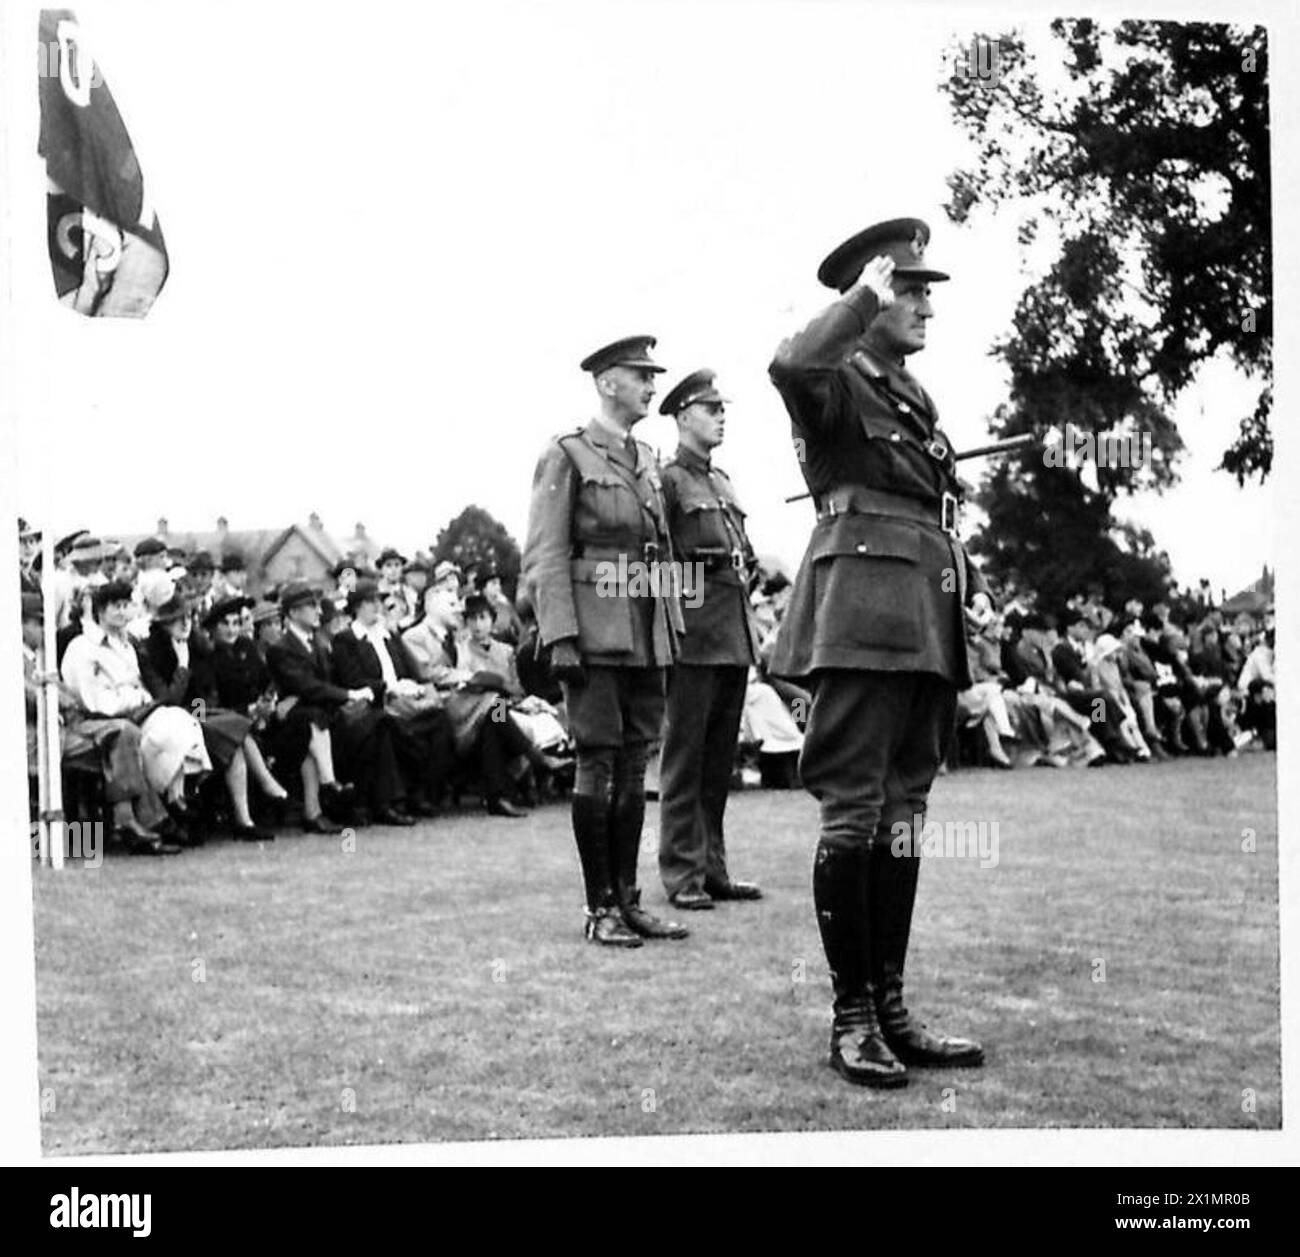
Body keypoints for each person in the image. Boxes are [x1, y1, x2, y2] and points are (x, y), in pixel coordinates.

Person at [767, 220, 988, 1086]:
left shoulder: (912, 395)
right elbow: (790, 364)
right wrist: (861, 293)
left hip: (924, 617)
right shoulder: (834, 380)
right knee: (856, 813)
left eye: (927, 291)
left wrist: (968, 582)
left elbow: (932, 507)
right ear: (871, 295)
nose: (927, 305)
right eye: (910, 289)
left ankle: (890, 1007)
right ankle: (851, 1015)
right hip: (861, 616)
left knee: (904, 815)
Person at [522, 334, 688, 947]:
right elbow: (545, 554)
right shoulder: (567, 453)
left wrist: (671, 626)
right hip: (593, 631)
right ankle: (600, 908)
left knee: (635, 762)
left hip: (644, 629)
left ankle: (628, 898)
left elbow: (659, 549)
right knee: (597, 761)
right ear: (606, 382)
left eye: (652, 376)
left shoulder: (646, 457)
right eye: (640, 375)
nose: (651, 386)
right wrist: (560, 637)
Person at [654, 368, 764, 911]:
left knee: (719, 762)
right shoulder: (667, 482)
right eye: (711, 409)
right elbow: (654, 566)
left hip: (732, 634)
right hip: (693, 637)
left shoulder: (721, 482)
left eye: (723, 410)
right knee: (685, 759)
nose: (721, 418)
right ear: (682, 417)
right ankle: (682, 872)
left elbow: (741, 555)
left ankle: (712, 867)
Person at [61, 580, 211, 847]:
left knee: (185, 723)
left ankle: (177, 798)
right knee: (166, 730)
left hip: (154, 712)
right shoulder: (86, 647)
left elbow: (194, 689)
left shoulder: (130, 644)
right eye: (115, 607)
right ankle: (167, 809)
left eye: (125, 605)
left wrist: (148, 697)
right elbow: (96, 701)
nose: (122, 612)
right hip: (108, 718)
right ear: (100, 611)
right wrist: (140, 697)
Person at [140, 596, 277, 840]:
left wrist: (200, 711)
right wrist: (182, 666)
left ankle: (245, 819)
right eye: (177, 620)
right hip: (166, 719)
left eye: (188, 618)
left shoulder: (197, 647)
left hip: (197, 713)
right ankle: (265, 786)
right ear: (164, 624)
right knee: (233, 729)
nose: (185, 624)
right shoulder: (151, 653)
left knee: (233, 736)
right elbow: (167, 699)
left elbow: (206, 692)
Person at [330, 579, 455, 817]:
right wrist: (390, 687)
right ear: (356, 607)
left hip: (406, 701)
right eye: (370, 601)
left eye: (378, 600)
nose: (377, 606)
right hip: (376, 704)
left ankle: (424, 792)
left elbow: (409, 669)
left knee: (441, 720)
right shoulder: (347, 639)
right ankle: (390, 801)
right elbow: (352, 680)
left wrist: (410, 686)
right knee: (388, 726)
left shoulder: (388, 634)